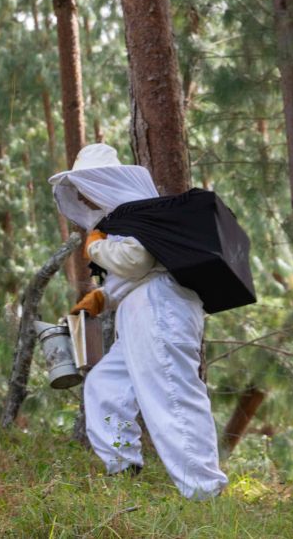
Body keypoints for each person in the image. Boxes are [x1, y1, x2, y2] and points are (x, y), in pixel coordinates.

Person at [51, 143, 228, 500]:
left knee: (172, 395)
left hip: (160, 308)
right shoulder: (121, 215)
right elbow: (133, 273)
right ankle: (122, 469)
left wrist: (94, 247)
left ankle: (204, 492)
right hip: (141, 311)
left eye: (86, 188)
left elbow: (136, 261)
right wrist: (102, 297)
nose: (84, 199)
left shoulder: (137, 211)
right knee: (105, 385)